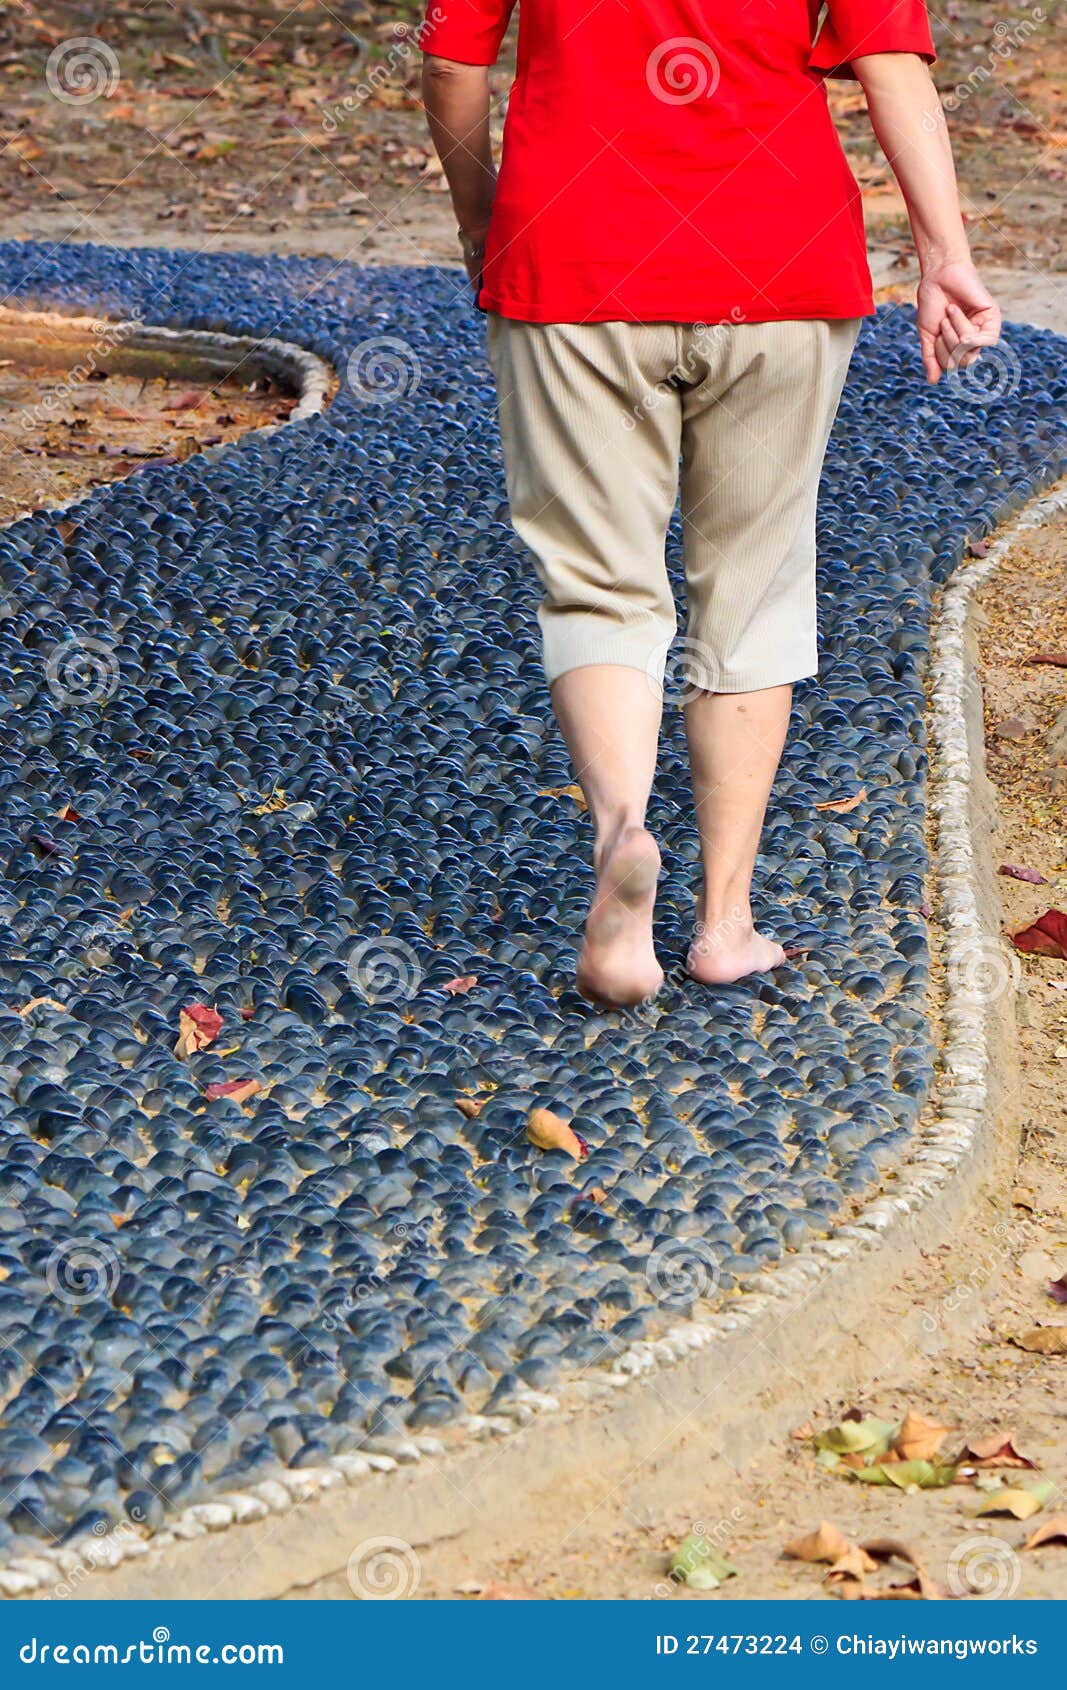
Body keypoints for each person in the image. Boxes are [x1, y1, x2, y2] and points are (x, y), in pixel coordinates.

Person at [420, 1, 1001, 1007]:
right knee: (755, 584)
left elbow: (449, 64)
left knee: (598, 585)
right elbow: (888, 59)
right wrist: (942, 251)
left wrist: (483, 220)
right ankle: (723, 924)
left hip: (573, 251)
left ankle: (620, 837)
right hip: (779, 255)